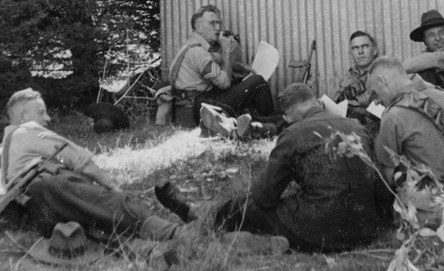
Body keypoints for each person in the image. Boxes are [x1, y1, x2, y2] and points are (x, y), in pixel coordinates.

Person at [158, 83, 384, 253]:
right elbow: (380, 188)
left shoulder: (293, 133)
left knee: (245, 205)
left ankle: (200, 214)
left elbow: (263, 196)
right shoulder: (358, 128)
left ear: (288, 116)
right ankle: (215, 221)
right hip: (365, 230)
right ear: (316, 102)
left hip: (319, 231)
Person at [0, 88, 196, 244]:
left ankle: (153, 241)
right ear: (24, 118)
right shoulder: (27, 131)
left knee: (99, 223)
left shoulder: (5, 145)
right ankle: (177, 233)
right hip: (49, 189)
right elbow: (76, 158)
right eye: (41, 112)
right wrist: (112, 186)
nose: (47, 118)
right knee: (113, 203)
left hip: (32, 212)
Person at [368, 56, 444, 191]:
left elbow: (388, 177)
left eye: (374, 94)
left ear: (382, 81)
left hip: (427, 200)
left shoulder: (392, 116)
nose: (375, 102)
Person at [168, 4, 274, 124]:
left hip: (192, 105)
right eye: (212, 23)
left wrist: (238, 66)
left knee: (241, 83)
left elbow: (214, 59)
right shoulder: (199, 53)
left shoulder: (190, 46)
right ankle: (269, 122)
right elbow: (225, 84)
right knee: (257, 81)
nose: (218, 28)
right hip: (202, 108)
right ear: (199, 27)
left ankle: (257, 120)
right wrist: (226, 49)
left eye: (219, 23)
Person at [331, 30, 379, 122]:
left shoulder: (383, 75)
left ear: (374, 51)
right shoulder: (345, 79)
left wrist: (352, 103)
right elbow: (333, 105)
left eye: (365, 46)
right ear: (351, 53)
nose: (360, 52)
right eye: (355, 48)